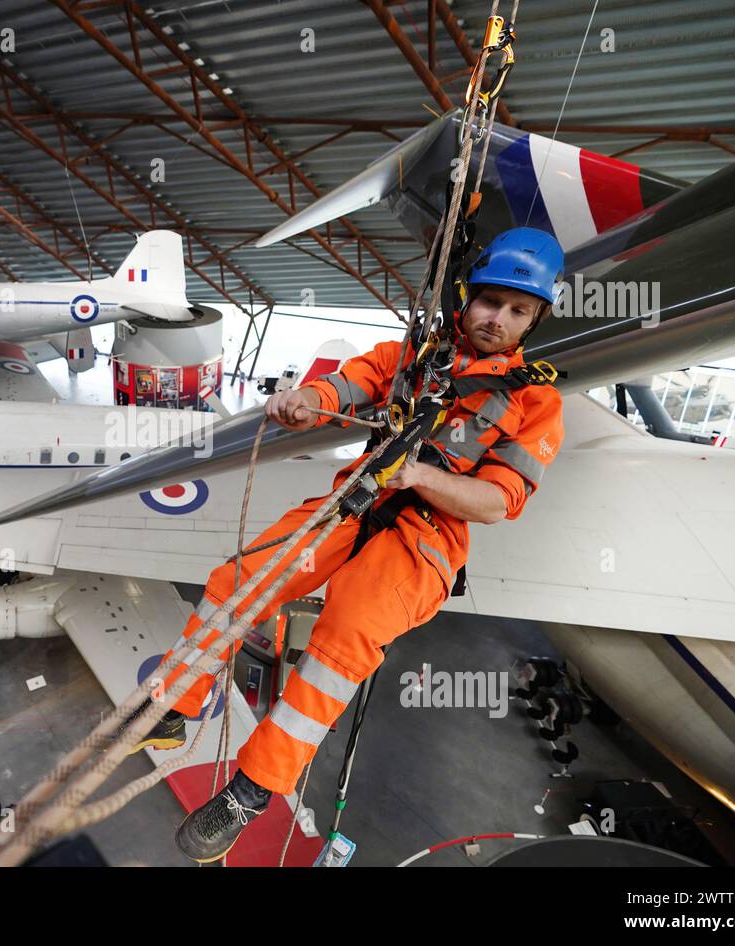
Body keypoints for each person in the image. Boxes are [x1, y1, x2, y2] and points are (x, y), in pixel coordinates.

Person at [132, 227, 568, 863]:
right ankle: (174, 704)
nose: (498, 319)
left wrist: (419, 474)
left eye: (518, 310)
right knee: (239, 582)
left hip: (424, 538)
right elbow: (351, 383)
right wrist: (309, 399)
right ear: (467, 298)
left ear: (534, 319)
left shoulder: (536, 401)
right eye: (490, 302)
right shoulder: (415, 357)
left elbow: (498, 501)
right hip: (354, 501)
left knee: (343, 639)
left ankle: (250, 791)